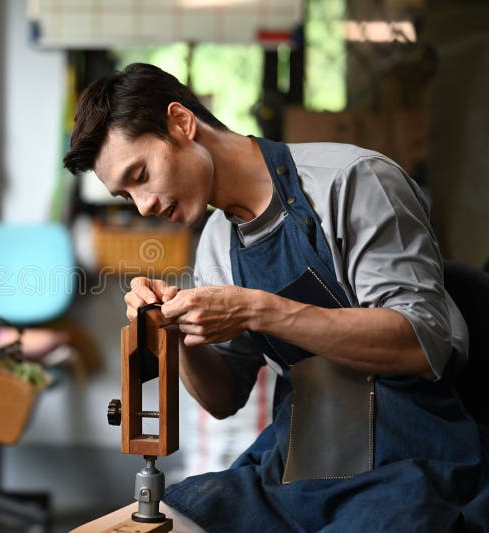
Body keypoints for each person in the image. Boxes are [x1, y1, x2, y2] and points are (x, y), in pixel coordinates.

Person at [63, 63, 489, 531]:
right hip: (298, 455)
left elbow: (420, 343)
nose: (143, 205)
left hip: (412, 453)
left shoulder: (351, 181)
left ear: (182, 123)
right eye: (127, 196)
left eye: (140, 174)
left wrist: (256, 308)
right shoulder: (215, 244)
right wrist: (173, 334)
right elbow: (224, 397)